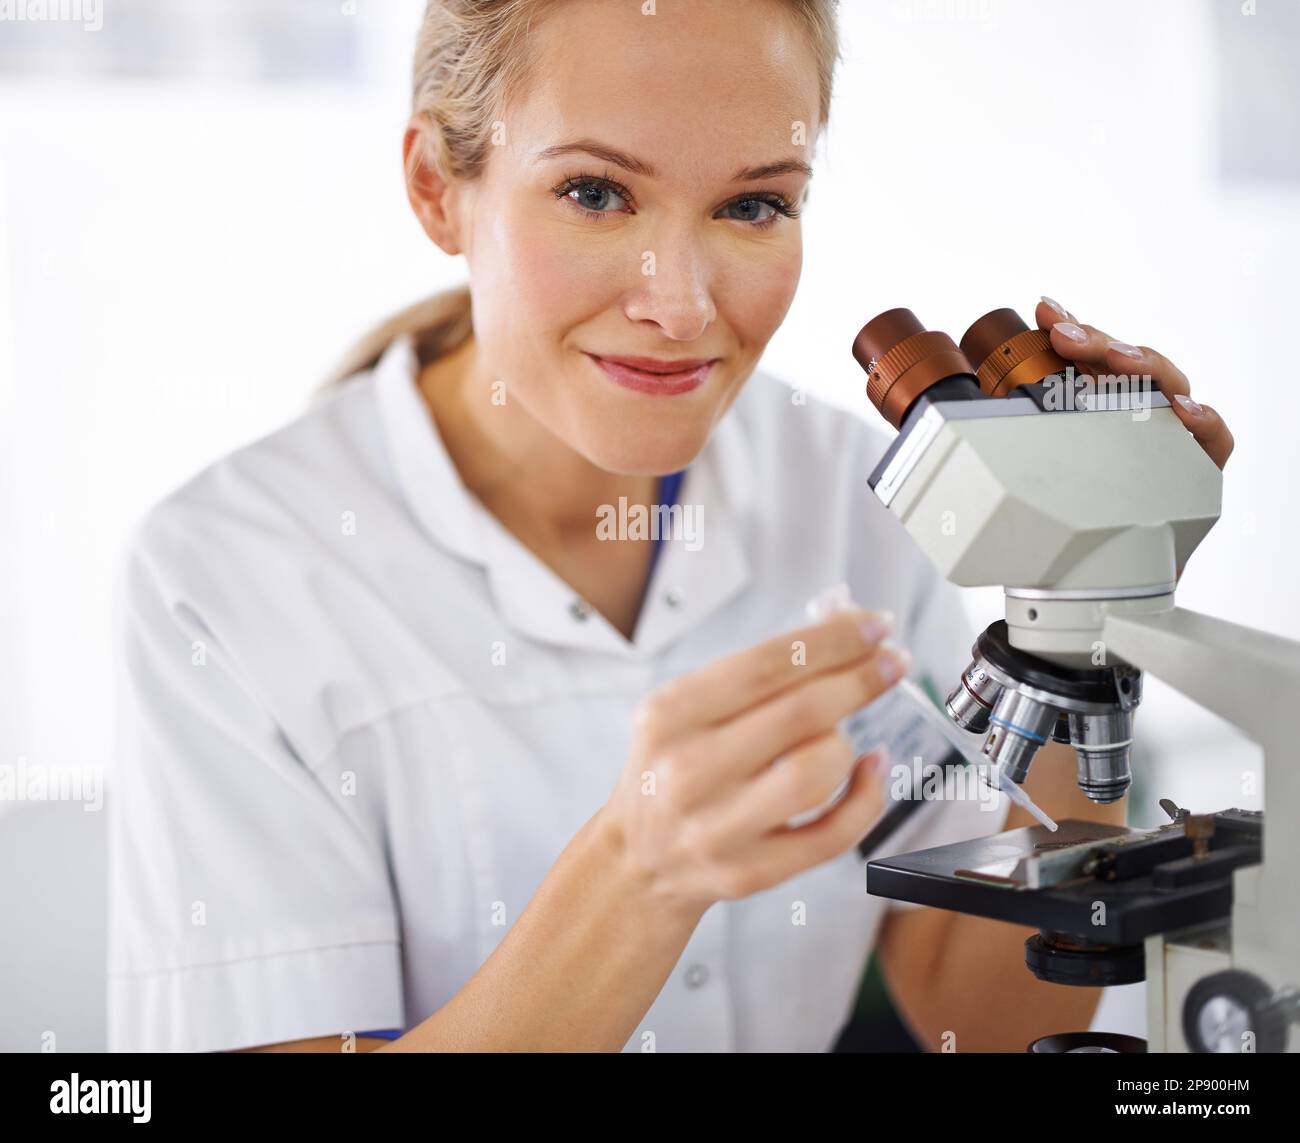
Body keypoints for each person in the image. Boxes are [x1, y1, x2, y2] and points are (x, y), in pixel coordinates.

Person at [106, 0, 1235, 1053]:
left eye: (753, 204)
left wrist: (1085, 606)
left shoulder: (857, 494)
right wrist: (638, 872)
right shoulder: (224, 572)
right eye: (597, 193)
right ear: (435, 189)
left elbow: (972, 1015)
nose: (683, 305)